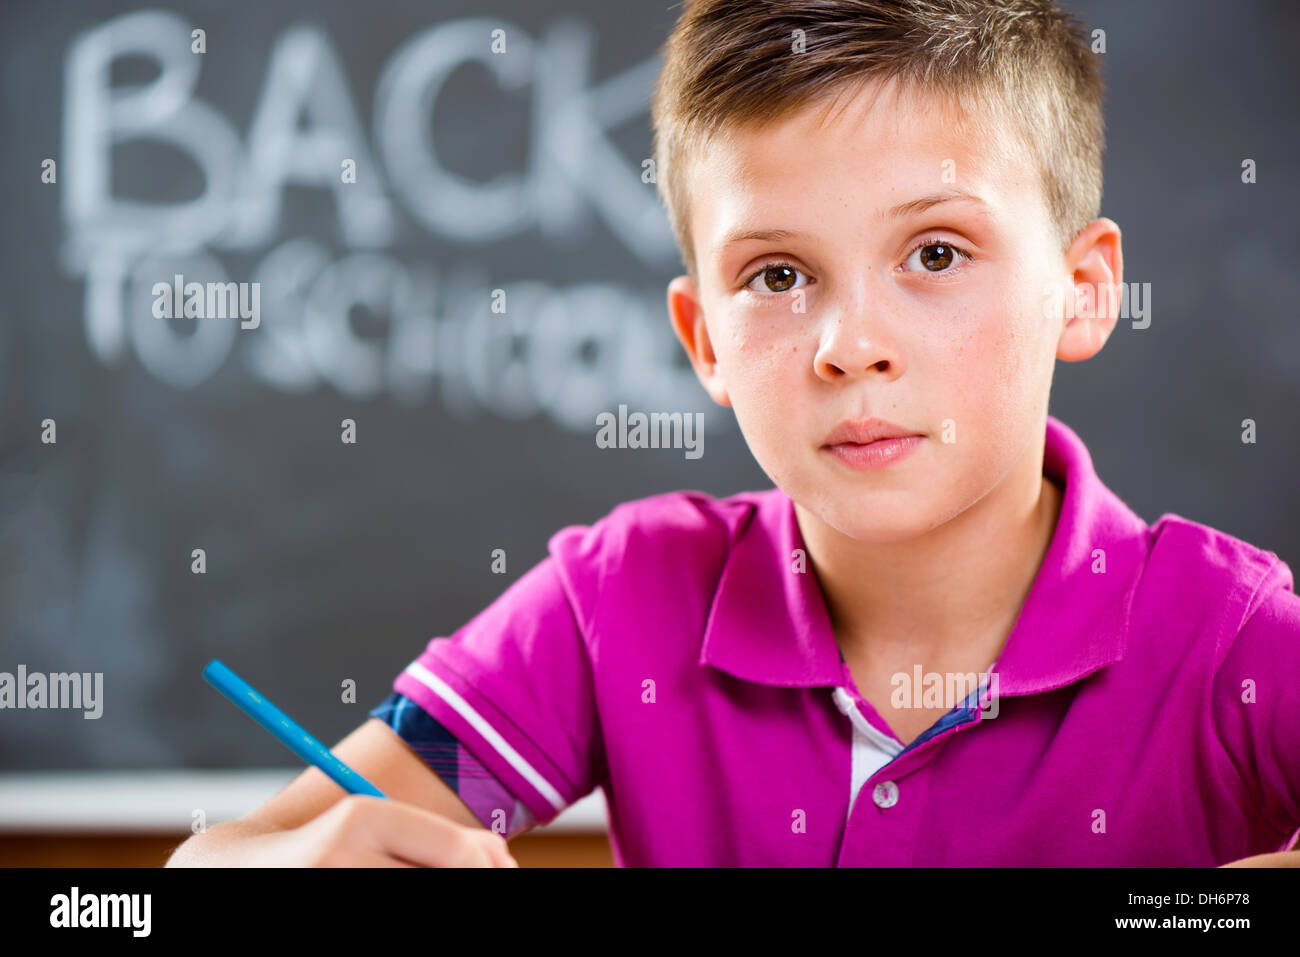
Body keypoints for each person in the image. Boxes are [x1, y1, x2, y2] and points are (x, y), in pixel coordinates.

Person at [167, 0, 1300, 868]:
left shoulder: (1235, 644)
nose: (850, 346)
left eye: (936, 254)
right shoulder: (621, 602)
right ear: (702, 337)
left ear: (1083, 288)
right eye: (777, 274)